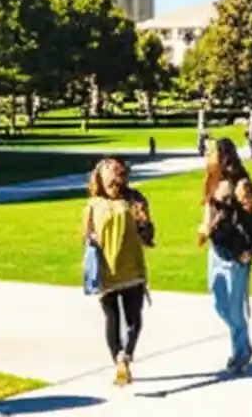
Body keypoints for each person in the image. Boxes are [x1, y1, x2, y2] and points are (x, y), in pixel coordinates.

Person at [82, 157, 152, 387]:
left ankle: (121, 359)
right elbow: (87, 238)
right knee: (127, 320)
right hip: (119, 270)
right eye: (112, 175)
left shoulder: (128, 201)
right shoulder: (98, 204)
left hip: (120, 271)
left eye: (118, 174)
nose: (116, 180)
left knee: (119, 319)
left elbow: (148, 236)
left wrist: (143, 223)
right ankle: (124, 358)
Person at [203, 177, 252, 374]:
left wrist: (250, 251)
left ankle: (240, 352)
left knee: (235, 310)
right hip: (219, 259)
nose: (247, 200)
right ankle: (244, 343)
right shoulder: (228, 213)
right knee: (219, 304)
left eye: (250, 196)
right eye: (243, 195)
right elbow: (217, 235)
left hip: (238, 266)